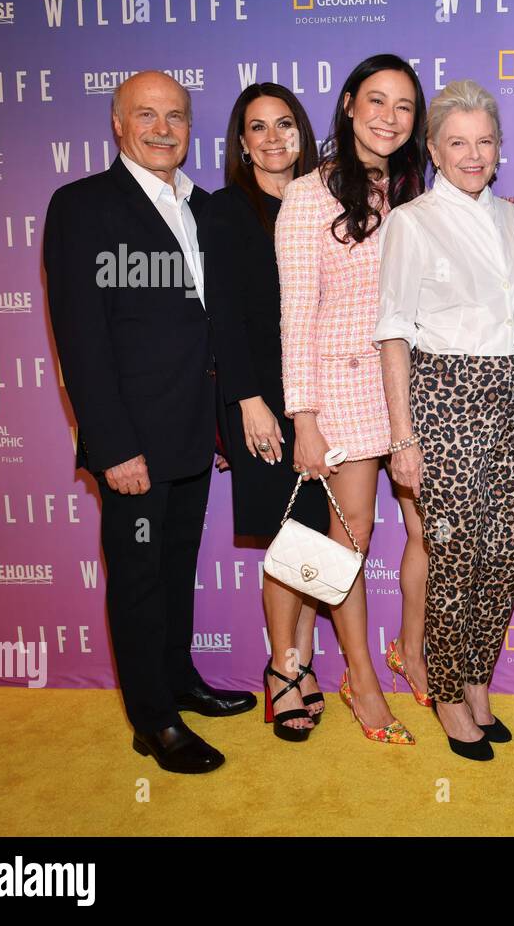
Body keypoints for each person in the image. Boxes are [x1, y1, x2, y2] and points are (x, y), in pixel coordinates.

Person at [44, 70, 255, 775]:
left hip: (193, 432)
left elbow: (208, 323)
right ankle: (152, 721)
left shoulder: (201, 206)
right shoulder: (83, 206)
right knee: (137, 576)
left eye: (176, 115)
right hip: (132, 440)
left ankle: (179, 681)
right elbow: (80, 336)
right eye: (146, 114)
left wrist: (219, 426)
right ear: (118, 123)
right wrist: (112, 445)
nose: (163, 128)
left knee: (175, 568)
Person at [375, 80, 514, 762]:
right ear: (434, 148)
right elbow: (392, 333)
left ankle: (475, 677)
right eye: (457, 142)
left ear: (500, 149)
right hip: (444, 400)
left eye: (485, 141)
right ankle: (442, 691)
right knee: (453, 558)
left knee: (505, 551)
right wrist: (403, 437)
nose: (473, 154)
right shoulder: (411, 221)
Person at [276, 53, 429, 746]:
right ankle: (360, 680)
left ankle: (413, 652)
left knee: (428, 533)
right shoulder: (308, 195)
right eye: (376, 100)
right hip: (342, 394)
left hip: (416, 391)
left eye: (402, 106)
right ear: (347, 105)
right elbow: (296, 314)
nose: (388, 117)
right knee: (351, 545)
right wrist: (304, 419)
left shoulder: (412, 192)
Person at [199, 82, 336, 741]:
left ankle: (302, 663)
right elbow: (222, 312)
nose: (274, 138)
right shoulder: (226, 211)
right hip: (263, 401)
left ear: (303, 134)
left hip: (324, 395)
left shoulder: (325, 203)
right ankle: (281, 671)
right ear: (242, 142)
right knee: (291, 539)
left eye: (286, 124)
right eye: (258, 128)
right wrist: (249, 402)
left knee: (315, 538)